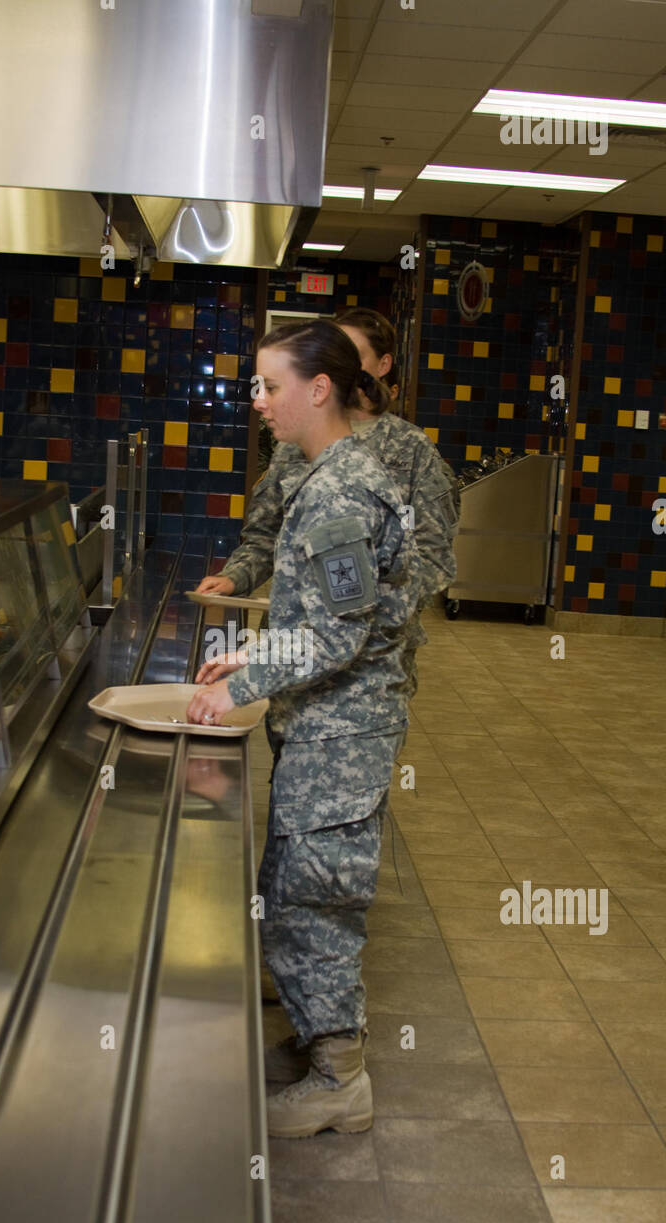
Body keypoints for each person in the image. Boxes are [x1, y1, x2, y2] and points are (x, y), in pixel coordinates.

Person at [186, 319, 420, 1139]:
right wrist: (247, 651)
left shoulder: (339, 490)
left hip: (341, 735)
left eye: (270, 386)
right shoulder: (332, 472)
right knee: (291, 890)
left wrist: (242, 685)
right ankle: (321, 1035)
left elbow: (336, 635)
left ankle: (339, 1081)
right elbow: (322, 612)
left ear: (319, 389)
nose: (258, 403)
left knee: (316, 901)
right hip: (323, 725)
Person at [195, 307, 459, 710]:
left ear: (382, 365)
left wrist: (366, 612)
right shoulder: (295, 444)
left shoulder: (405, 453)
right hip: (294, 660)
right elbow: (267, 534)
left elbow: (430, 562)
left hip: (351, 682)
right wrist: (237, 578)